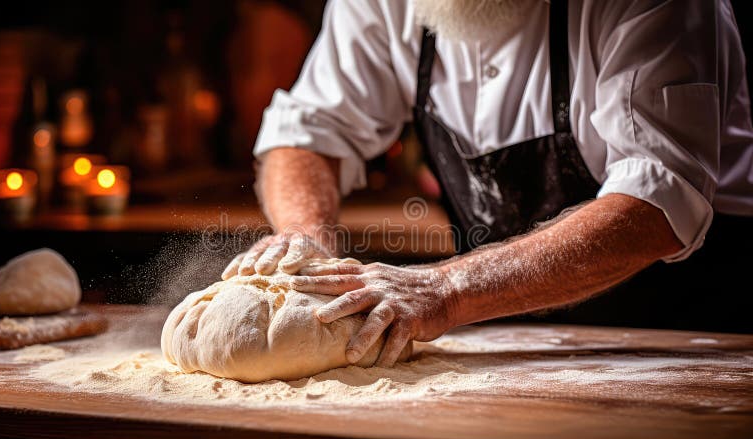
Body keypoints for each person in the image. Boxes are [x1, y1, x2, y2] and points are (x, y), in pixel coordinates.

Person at [223, 0, 753, 366]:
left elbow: (657, 200)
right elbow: (311, 131)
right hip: (512, 347)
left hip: (690, 337)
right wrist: (305, 237)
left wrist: (447, 289)